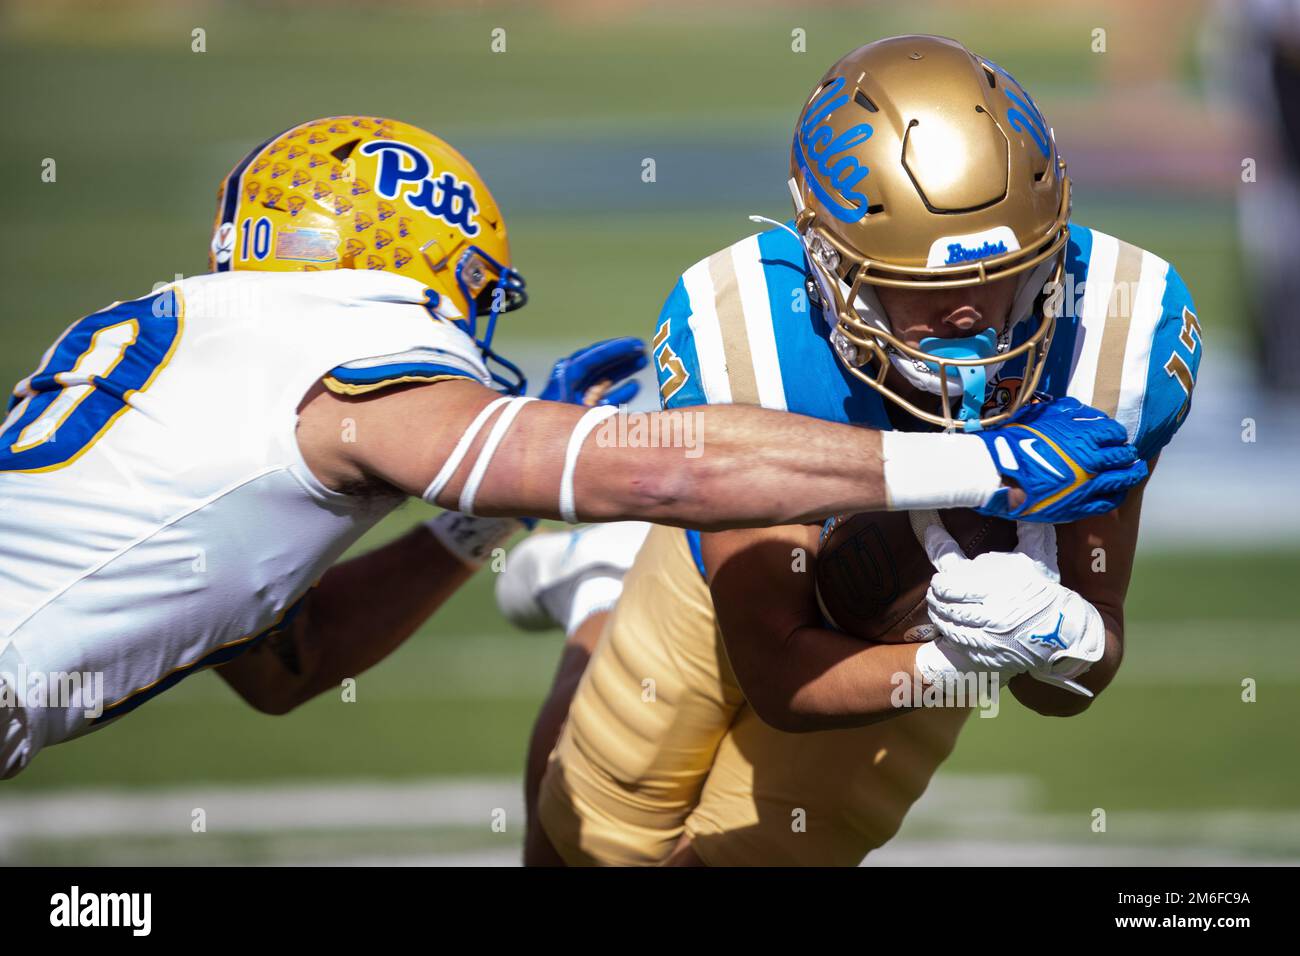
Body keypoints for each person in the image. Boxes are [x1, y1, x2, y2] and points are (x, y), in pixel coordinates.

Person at [0, 115, 1142, 780]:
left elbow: (278, 662)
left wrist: (483, 515)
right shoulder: (346, 332)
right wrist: (990, 463)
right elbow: (657, 469)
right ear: (421, 258)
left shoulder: (183, 342)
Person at [511, 36, 1203, 866]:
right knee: (587, 837)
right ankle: (602, 588)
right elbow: (780, 673)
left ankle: (600, 585)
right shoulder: (755, 338)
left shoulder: (1120, 339)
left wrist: (1053, 640)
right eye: (923, 282)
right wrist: (957, 668)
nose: (970, 315)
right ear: (826, 258)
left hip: (911, 625)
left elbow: (1079, 679)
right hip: (729, 586)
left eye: (1007, 272)